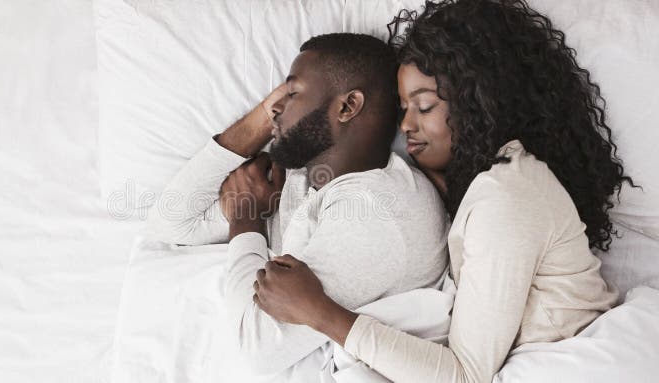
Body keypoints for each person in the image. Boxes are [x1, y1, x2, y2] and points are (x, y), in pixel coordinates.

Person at [252, 0, 637, 382]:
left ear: (480, 102)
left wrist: (322, 313)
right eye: (403, 108)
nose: (406, 126)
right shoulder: (485, 185)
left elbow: (465, 375)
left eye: (424, 106)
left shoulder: (506, 199)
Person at [147, 33, 450, 377]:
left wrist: (246, 220)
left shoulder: (381, 213)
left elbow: (256, 350)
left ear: (348, 107)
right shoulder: (299, 178)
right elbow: (170, 223)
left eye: (292, 93)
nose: (275, 105)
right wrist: (266, 122)